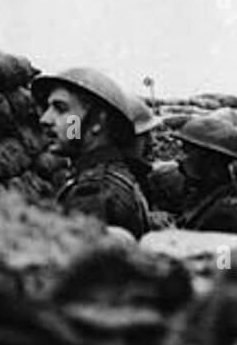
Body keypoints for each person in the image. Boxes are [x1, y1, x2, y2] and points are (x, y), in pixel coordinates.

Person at [33, 67, 152, 239]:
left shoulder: (93, 192)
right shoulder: (108, 175)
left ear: (97, 121)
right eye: (47, 108)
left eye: (61, 108)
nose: (45, 119)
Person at [175, 116, 237, 235]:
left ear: (209, 160)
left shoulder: (227, 214)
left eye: (187, 151)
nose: (179, 158)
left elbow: (224, 253)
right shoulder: (209, 196)